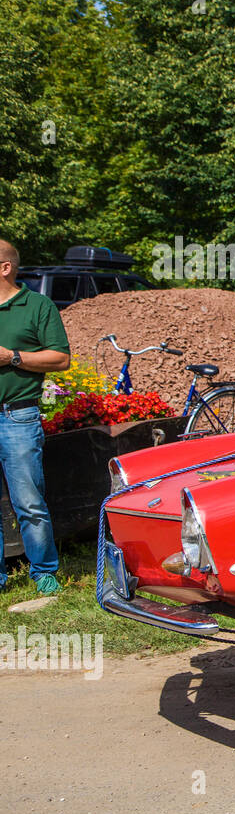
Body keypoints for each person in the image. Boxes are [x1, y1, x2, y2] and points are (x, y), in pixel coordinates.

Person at [0, 239, 71, 596]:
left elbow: (60, 359)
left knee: (28, 502)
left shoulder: (38, 306)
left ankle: (44, 572)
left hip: (17, 418)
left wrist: (12, 357)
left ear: (5, 267)